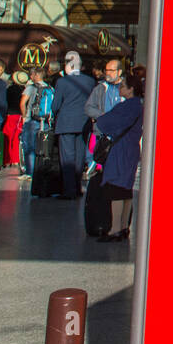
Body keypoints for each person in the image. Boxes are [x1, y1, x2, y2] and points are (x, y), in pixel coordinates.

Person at [92, 75, 145, 242]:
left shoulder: (127, 106)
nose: (120, 88)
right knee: (126, 188)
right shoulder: (141, 106)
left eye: (123, 85)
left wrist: (100, 120)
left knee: (115, 187)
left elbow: (106, 122)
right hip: (132, 148)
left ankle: (114, 228)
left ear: (131, 89)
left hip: (121, 149)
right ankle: (123, 226)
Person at [50, 51, 95, 198]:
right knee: (80, 156)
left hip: (66, 122)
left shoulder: (62, 82)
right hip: (83, 122)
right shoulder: (89, 81)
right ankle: (77, 188)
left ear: (68, 64)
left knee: (67, 157)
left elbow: (55, 105)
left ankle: (68, 191)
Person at [18, 67, 48, 179]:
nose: (30, 77)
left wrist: (25, 116)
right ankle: (40, 170)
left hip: (31, 121)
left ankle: (29, 172)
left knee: (29, 147)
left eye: (31, 75)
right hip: (44, 122)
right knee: (41, 147)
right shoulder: (49, 88)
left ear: (35, 75)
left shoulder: (31, 87)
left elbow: (22, 103)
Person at [2, 69, 26, 168]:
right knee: (17, 138)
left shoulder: (9, 89)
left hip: (10, 115)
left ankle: (7, 160)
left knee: (8, 138)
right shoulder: (24, 90)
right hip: (20, 116)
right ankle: (16, 160)